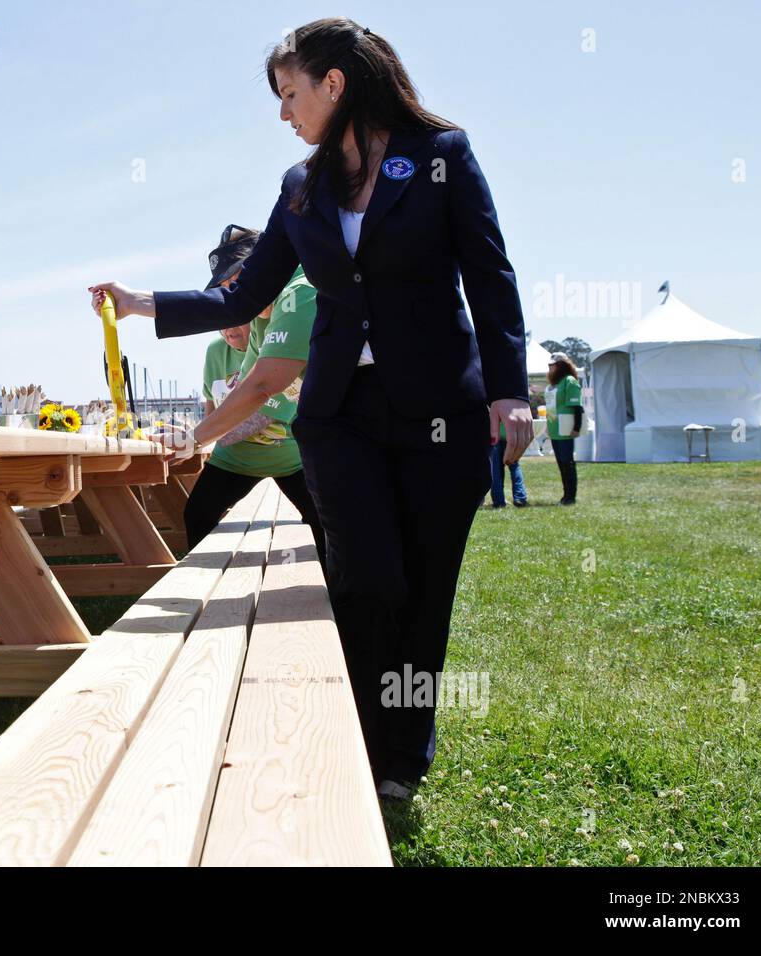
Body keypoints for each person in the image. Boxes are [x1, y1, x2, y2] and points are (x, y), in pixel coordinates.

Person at [89, 17, 532, 801]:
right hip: (339, 416)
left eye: (290, 94)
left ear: (335, 83)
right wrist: (140, 302)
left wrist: (509, 391)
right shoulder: (300, 188)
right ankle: (355, 739)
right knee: (364, 581)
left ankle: (402, 759)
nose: (283, 114)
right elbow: (243, 291)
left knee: (424, 591)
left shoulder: (441, 156)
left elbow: (489, 275)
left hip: (440, 415)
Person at [179, 225, 327, 573]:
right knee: (197, 513)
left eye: (236, 283)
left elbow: (260, 394)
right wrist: (195, 436)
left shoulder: (300, 293)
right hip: (238, 459)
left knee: (330, 526)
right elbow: (242, 393)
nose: (232, 302)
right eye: (224, 290)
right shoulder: (260, 320)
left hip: (298, 455)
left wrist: (192, 440)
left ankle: (331, 595)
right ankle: (201, 585)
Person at [544, 352, 583, 505]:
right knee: (561, 463)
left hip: (566, 429)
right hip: (554, 429)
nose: (549, 368)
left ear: (561, 365)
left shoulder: (570, 381)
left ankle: (570, 496)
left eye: (552, 365)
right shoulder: (553, 384)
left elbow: (577, 406)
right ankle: (565, 495)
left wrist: (577, 427)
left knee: (568, 463)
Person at [488, 418, 529, 507]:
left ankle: (498, 501)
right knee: (514, 466)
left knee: (495, 470)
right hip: (510, 434)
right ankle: (520, 498)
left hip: (494, 435)